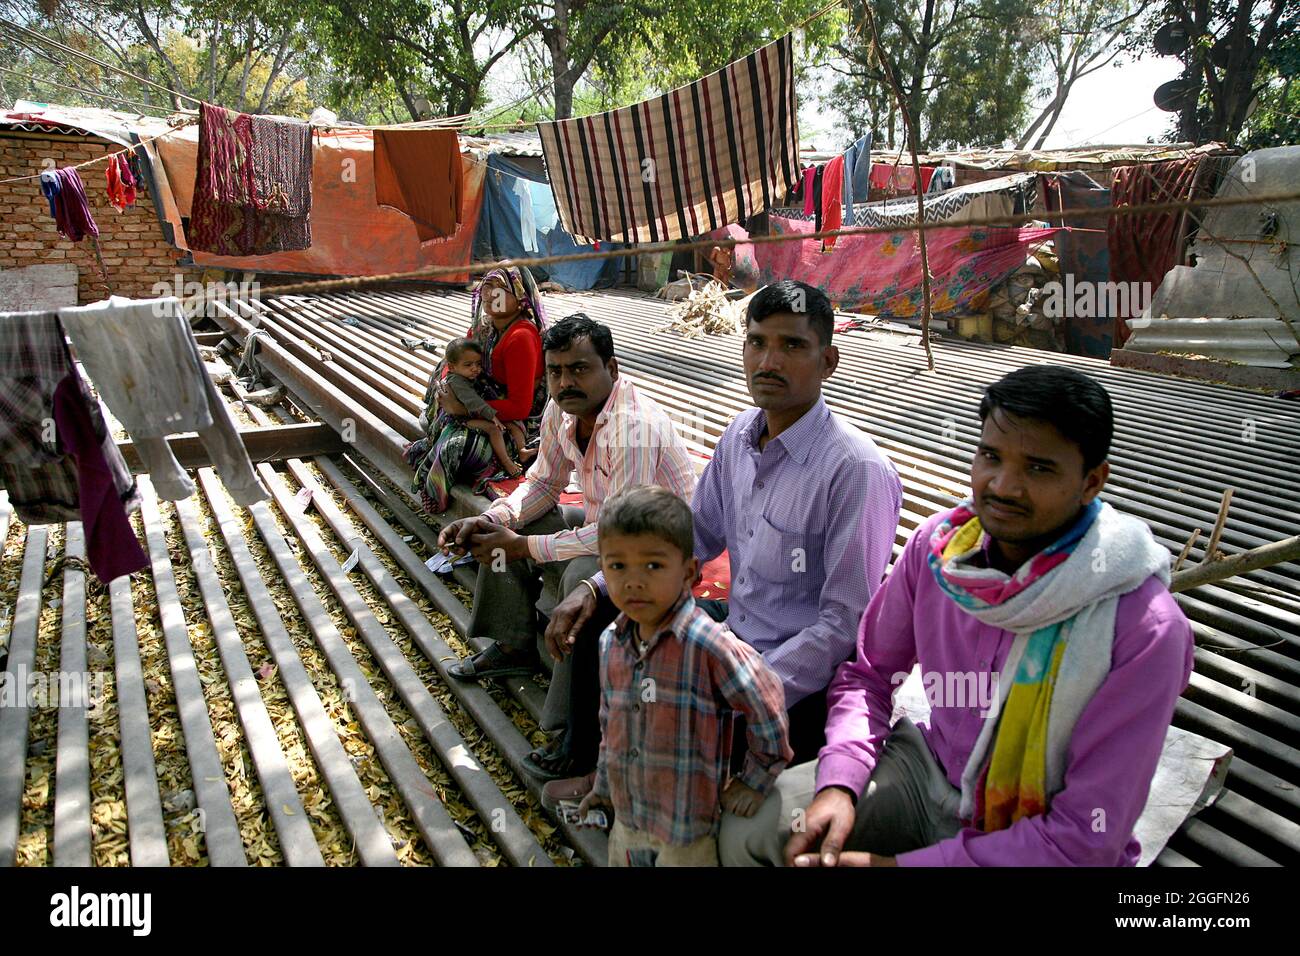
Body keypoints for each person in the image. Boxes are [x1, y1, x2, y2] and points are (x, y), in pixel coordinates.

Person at [720, 364, 1194, 867]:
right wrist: (842, 781)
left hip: (1034, 830)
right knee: (751, 831)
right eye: (991, 456)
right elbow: (870, 676)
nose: (1004, 485)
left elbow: (1083, 838)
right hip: (928, 771)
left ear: (1091, 481)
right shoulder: (940, 550)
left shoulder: (1143, 628)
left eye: (1039, 468)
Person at [542, 280, 902, 803]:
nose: (768, 362)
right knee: (605, 619)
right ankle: (601, 769)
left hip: (800, 678)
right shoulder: (739, 435)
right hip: (736, 632)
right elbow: (693, 534)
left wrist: (741, 684)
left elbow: (844, 626)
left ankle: (645, 792)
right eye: (757, 343)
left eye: (792, 346)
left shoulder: (856, 471)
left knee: (699, 738)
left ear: (829, 361)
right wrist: (597, 587)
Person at [437, 313, 696, 779]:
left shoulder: (631, 428)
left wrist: (526, 546)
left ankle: (566, 729)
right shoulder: (564, 408)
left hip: (655, 544)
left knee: (581, 577)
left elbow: (621, 534)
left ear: (611, 369)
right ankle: (513, 646)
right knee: (500, 533)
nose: (564, 381)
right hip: (606, 522)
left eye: (580, 369)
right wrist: (495, 518)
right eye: (555, 371)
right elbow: (543, 481)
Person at [577, 485, 792, 866]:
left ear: (690, 572)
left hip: (687, 831)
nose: (634, 581)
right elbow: (611, 724)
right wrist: (604, 785)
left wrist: (756, 778)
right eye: (617, 565)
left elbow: (767, 696)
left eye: (654, 565)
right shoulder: (612, 641)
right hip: (629, 819)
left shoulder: (706, 645)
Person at [405, 266, 546, 512]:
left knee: (456, 447)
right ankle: (445, 430)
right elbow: (458, 362)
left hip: (512, 423)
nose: (491, 294)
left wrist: (461, 409)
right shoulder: (484, 328)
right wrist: (450, 390)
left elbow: (520, 407)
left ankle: (438, 480)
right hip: (480, 404)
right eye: (487, 287)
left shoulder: (521, 337)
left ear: (520, 297)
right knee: (446, 368)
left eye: (501, 289)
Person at [441, 337, 528, 478]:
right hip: (461, 418)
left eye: (478, 364)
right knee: (494, 429)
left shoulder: (467, 375)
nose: (475, 369)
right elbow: (474, 401)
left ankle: (522, 451)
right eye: (468, 365)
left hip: (477, 412)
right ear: (452, 367)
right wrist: (493, 416)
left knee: (512, 424)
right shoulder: (456, 381)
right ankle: (506, 462)